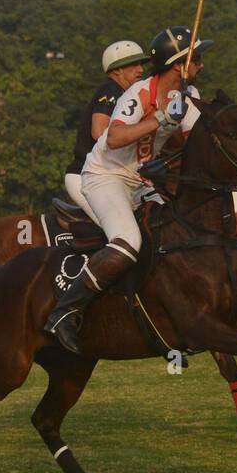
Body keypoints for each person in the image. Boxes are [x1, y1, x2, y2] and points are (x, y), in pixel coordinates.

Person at [43, 26, 212, 353]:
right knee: (128, 242)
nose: (201, 65)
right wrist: (161, 119)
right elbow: (114, 137)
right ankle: (64, 311)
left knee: (174, 233)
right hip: (103, 176)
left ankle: (165, 314)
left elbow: (197, 145)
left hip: (138, 181)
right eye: (196, 58)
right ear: (178, 64)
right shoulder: (138, 93)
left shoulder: (186, 100)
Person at [64, 41, 152, 218]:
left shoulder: (127, 96)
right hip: (86, 177)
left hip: (108, 178)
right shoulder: (112, 90)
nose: (141, 70)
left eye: (141, 64)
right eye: (133, 65)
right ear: (117, 70)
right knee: (121, 233)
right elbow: (99, 132)